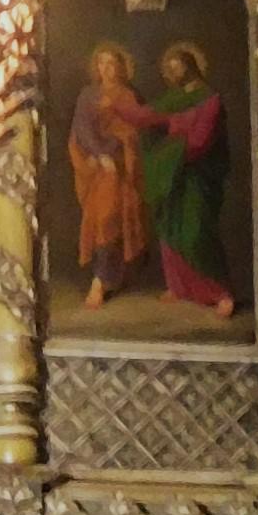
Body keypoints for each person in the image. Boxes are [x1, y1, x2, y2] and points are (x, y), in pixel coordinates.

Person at [129, 39, 238, 314]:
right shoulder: (173, 98)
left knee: (196, 231)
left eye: (178, 67)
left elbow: (201, 140)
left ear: (191, 66)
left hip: (198, 174)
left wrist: (170, 151)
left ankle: (220, 293)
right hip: (173, 174)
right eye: (170, 69)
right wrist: (116, 108)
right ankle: (179, 286)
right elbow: (146, 118)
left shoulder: (209, 98)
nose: (174, 74)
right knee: (169, 229)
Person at [63, 42, 155, 303]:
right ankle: (104, 277)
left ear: (121, 67)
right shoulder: (88, 94)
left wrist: (111, 151)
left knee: (113, 217)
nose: (107, 68)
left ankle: (101, 280)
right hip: (93, 163)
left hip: (122, 164)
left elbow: (130, 130)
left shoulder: (128, 95)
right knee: (101, 219)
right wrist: (99, 154)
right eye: (102, 63)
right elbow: (81, 128)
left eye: (111, 63)